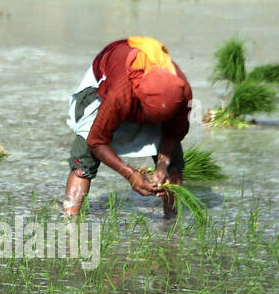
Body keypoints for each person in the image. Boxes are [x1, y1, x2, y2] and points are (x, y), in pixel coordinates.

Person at [62, 37, 192, 217]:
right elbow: (96, 140)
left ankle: (171, 225)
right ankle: (70, 220)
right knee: (83, 156)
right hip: (103, 87)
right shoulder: (119, 93)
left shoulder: (181, 92)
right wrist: (131, 175)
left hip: (150, 99)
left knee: (174, 165)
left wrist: (162, 165)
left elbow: (172, 133)